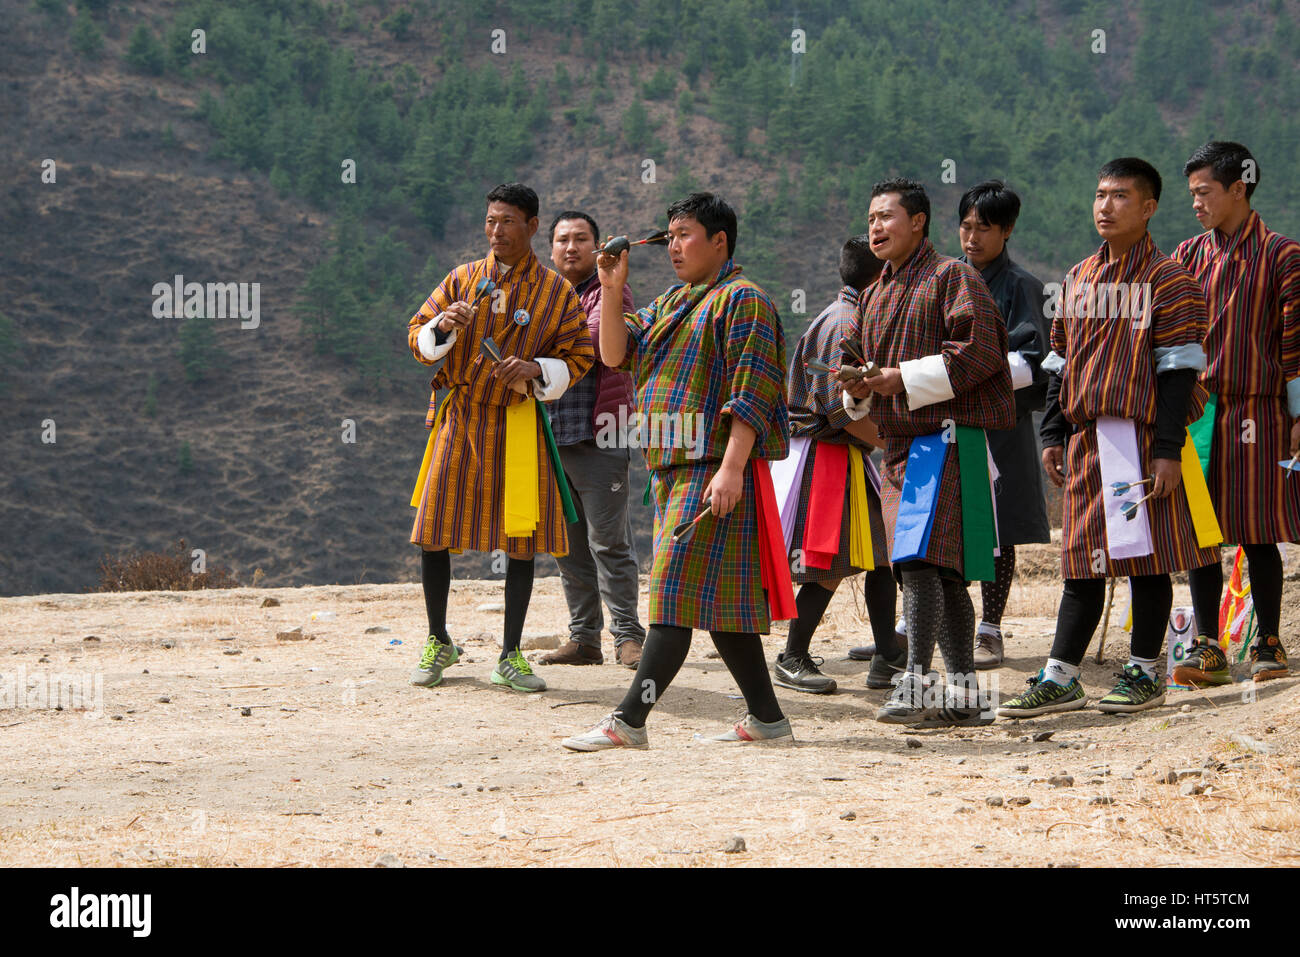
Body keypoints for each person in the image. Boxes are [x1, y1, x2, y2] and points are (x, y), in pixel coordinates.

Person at [561, 192, 795, 750]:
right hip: (673, 470)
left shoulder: (743, 300)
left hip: (711, 466)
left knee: (670, 597)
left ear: (720, 241)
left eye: (685, 234)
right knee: (723, 608)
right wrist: (612, 288)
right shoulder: (673, 301)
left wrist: (733, 467)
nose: (673, 245)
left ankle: (629, 721)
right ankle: (767, 719)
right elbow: (615, 353)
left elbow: (753, 388)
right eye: (668, 235)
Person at [999, 158, 1218, 718]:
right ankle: (1062, 677)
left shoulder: (1172, 282)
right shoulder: (1078, 279)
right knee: (1081, 561)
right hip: (1086, 441)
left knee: (1144, 559)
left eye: (1120, 196)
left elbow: (1178, 375)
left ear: (1148, 208)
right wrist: (1052, 431)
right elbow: (1059, 361)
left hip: (1143, 440)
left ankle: (1145, 672)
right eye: (1100, 194)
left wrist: (1169, 451)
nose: (1105, 205)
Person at [406, 183, 594, 693]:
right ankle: (438, 637)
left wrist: (535, 368)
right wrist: (443, 326)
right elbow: (417, 338)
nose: (496, 231)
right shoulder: (462, 279)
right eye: (490, 220)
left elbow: (579, 355)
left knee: (521, 538)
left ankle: (510, 653)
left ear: (532, 227)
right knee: (434, 528)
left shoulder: (555, 291)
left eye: (507, 221)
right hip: (460, 415)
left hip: (516, 420)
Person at [843, 178, 1015, 726]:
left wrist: (902, 378)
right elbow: (855, 367)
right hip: (896, 446)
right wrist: (856, 388)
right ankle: (964, 694)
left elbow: (981, 351)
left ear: (918, 222)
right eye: (870, 217)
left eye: (886, 216)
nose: (875, 227)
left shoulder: (952, 277)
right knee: (940, 572)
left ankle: (917, 681)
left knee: (918, 564)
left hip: (944, 439)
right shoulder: (870, 296)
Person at [1171, 142, 1300, 685]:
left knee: (1257, 526)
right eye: (1192, 193)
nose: (1196, 203)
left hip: (1260, 410)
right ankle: (1207, 644)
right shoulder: (1186, 256)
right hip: (1198, 411)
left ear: (1238, 189)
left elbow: (1296, 343)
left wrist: (1299, 416)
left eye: (1204, 192)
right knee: (1201, 529)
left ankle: (1268, 641)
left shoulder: (1283, 255)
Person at [775, 236, 903, 694]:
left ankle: (888, 655)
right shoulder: (848, 323)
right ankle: (792, 657)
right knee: (826, 564)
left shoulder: (847, 315)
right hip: (825, 454)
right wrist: (892, 445)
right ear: (879, 277)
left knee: (882, 557)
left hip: (842, 454)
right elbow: (839, 409)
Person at [538, 209, 647, 670]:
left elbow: (593, 346)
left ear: (597, 247)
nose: (571, 247)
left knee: (609, 542)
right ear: (551, 249)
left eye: (581, 239)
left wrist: (534, 346)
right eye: (562, 239)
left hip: (601, 434)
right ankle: (584, 638)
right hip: (551, 437)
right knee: (568, 545)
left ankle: (627, 635)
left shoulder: (609, 293)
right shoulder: (545, 297)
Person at [957, 181, 1053, 668]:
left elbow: (1035, 360)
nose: (972, 238)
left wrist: (968, 374)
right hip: (948, 424)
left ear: (1008, 230)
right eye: (966, 226)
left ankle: (991, 630)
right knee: (942, 525)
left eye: (984, 228)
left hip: (999, 425)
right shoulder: (946, 280)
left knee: (998, 529)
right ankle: (918, 623)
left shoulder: (1021, 287)